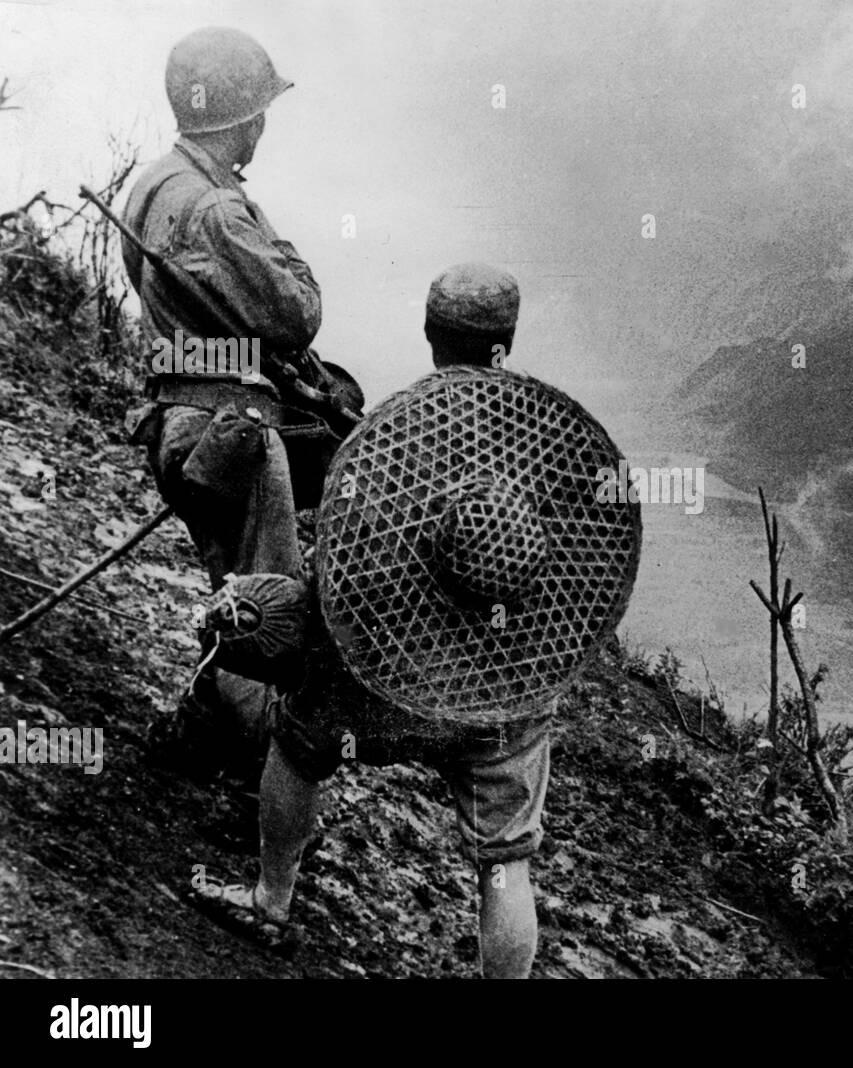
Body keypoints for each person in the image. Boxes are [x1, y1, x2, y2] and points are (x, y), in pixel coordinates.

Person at [198, 265, 554, 979]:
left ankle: (270, 900)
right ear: (505, 344)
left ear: (430, 338)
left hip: (382, 680)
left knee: (299, 745)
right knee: (505, 860)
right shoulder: (544, 446)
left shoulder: (395, 432)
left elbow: (339, 572)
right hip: (500, 695)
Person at [121, 27, 340, 780]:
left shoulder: (151, 186)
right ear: (243, 120)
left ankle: (199, 734)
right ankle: (253, 780)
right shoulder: (219, 210)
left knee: (232, 589)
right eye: (260, 113)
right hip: (235, 433)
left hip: (180, 424)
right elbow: (297, 311)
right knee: (266, 610)